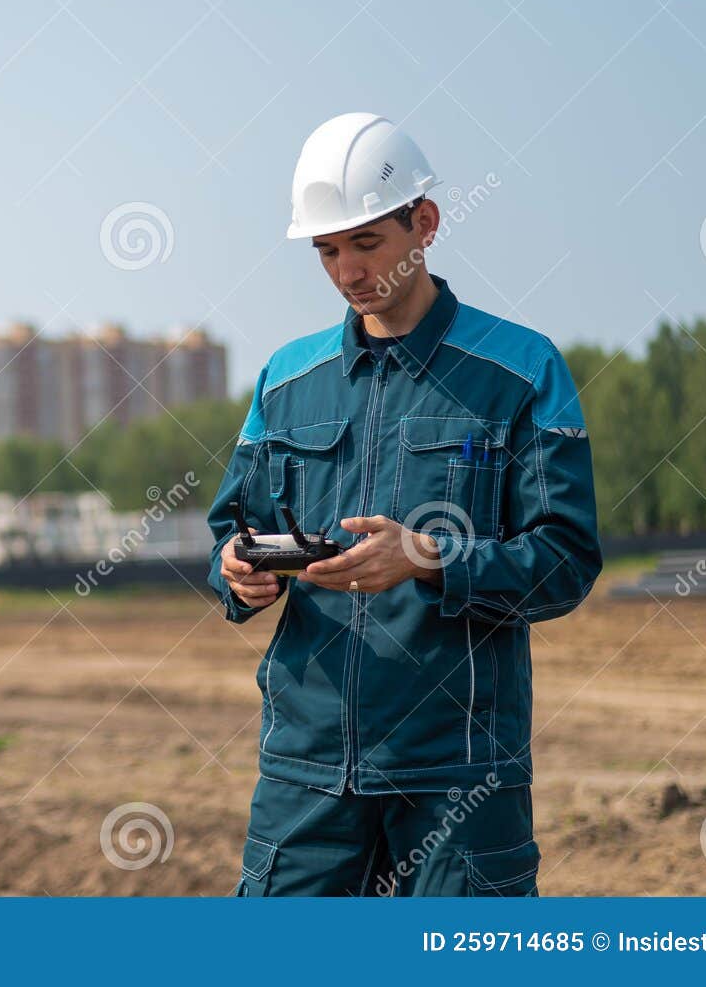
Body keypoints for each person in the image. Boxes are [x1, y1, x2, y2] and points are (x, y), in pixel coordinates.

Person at [205, 112, 601, 897]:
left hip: (458, 775)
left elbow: (566, 561)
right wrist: (236, 573)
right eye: (327, 250)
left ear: (424, 223)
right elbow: (231, 530)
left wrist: (428, 557)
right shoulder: (285, 381)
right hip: (307, 773)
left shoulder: (521, 372)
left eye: (366, 243)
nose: (348, 271)